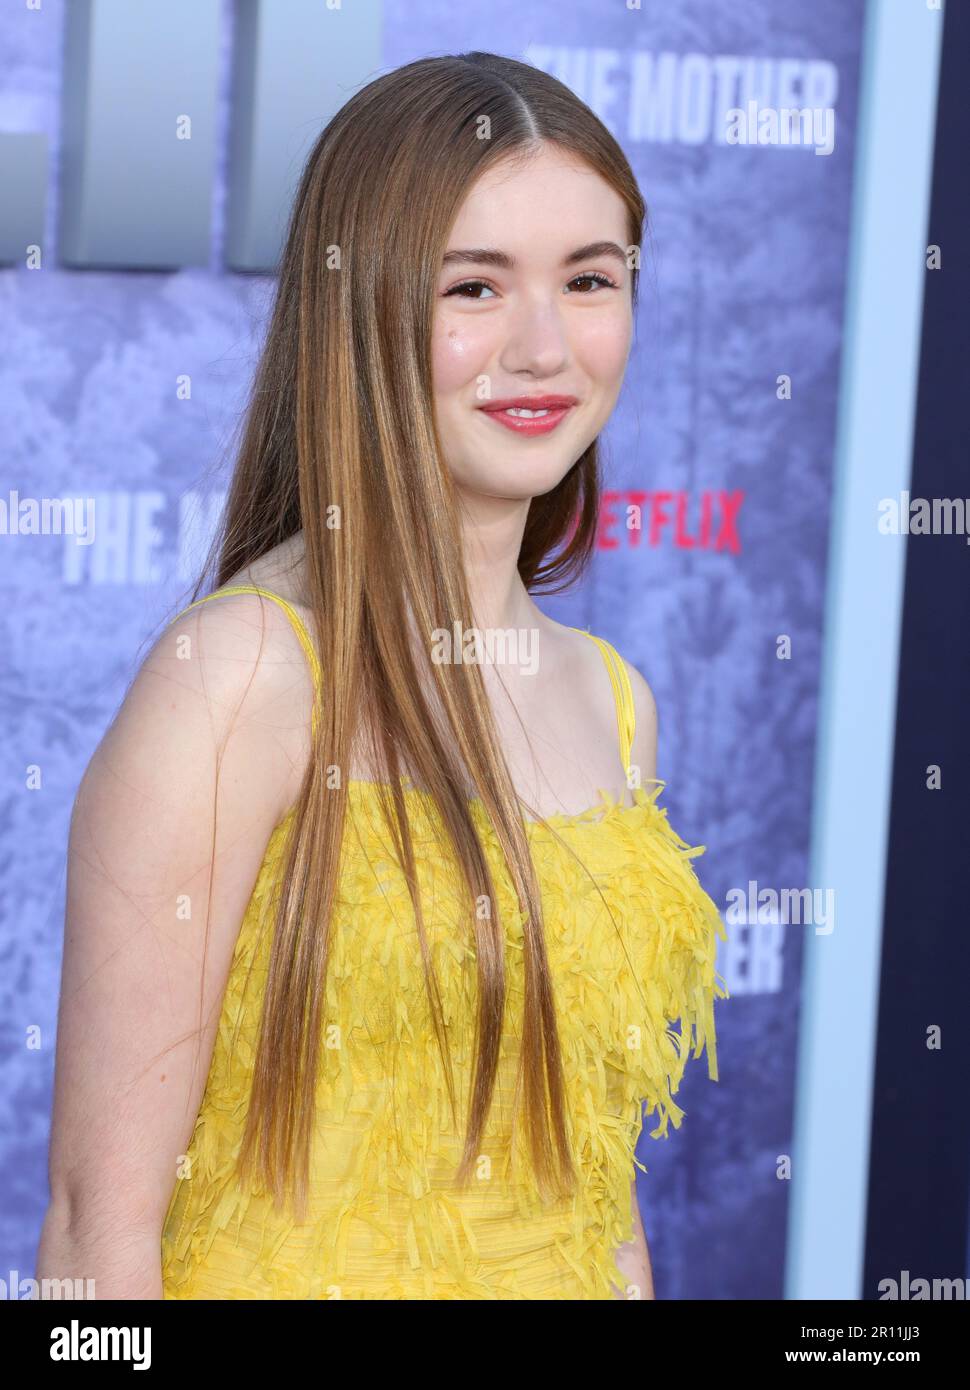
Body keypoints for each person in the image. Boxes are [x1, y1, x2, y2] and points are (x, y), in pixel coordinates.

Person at [36, 51, 728, 1300]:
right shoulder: (241, 677)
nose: (542, 345)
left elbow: (599, 1206)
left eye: (589, 279)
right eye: (474, 286)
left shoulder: (616, 700)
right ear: (359, 308)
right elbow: (95, 1241)